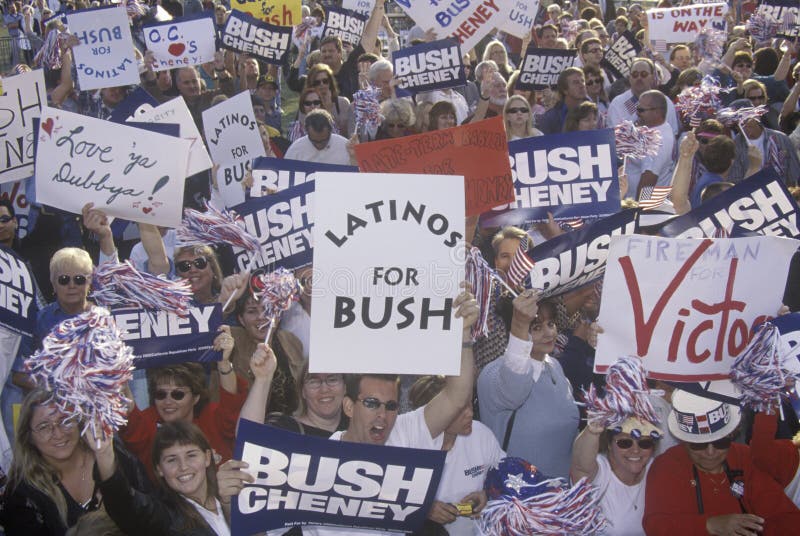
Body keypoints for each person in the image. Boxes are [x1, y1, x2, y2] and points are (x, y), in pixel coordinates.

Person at [217, 286, 479, 535]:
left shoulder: (403, 433)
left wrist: (463, 335)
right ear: (349, 406)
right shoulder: (313, 458)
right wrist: (263, 380)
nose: (382, 414)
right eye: (371, 403)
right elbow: (249, 443)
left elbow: (456, 396)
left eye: (391, 406)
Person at [643, 387, 800, 534]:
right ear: (684, 441)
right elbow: (656, 525)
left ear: (732, 435)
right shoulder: (667, 466)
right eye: (698, 445)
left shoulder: (743, 457)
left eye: (721, 442)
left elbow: (783, 515)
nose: (710, 452)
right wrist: (709, 525)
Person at [0, 389, 150, 535]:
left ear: (78, 422)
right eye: (44, 427)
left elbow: (151, 517)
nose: (58, 434)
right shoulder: (22, 492)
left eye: (65, 421)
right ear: (29, 437)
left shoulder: (111, 455)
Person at [478, 291, 580, 480]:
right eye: (536, 327)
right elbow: (514, 390)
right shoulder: (492, 374)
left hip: (563, 493)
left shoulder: (555, 367)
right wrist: (520, 325)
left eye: (551, 324)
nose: (549, 333)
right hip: (514, 494)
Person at [120, 329, 246, 481]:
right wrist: (117, 374)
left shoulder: (212, 417)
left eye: (177, 394)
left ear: (196, 397)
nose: (168, 401)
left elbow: (232, 402)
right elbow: (130, 419)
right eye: (161, 394)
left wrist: (223, 362)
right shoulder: (148, 423)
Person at [91, 421, 229, 535]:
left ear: (207, 458)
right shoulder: (163, 515)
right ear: (159, 469)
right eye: (171, 460)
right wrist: (104, 453)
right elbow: (124, 503)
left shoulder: (229, 495)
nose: (183, 467)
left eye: (191, 455)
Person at [408, 375, 504, 534]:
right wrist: (423, 509)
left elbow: (506, 478)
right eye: (459, 410)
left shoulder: (481, 434)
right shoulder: (408, 445)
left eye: (470, 404)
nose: (470, 413)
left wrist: (487, 494)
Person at [571, 417, 662, 535]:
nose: (635, 450)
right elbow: (581, 466)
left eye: (645, 443)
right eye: (625, 443)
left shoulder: (656, 470)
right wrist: (592, 431)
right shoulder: (600, 470)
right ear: (609, 444)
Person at [624, 90, 676, 200]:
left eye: (641, 110)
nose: (637, 113)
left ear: (657, 112)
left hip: (646, 205)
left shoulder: (656, 142)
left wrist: (638, 208)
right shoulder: (659, 127)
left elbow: (648, 183)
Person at [607, 58, 679, 136]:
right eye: (635, 74)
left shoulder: (665, 102)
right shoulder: (617, 103)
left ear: (652, 77)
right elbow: (614, 135)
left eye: (644, 74)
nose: (639, 78)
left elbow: (673, 133)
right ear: (629, 77)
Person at [285, 109, 351, 165]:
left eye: (324, 141)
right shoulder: (295, 149)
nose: (319, 145)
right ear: (306, 131)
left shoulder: (345, 146)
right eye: (314, 141)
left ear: (331, 130)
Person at [536, 67, 588, 135]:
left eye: (583, 81)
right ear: (565, 90)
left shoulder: (594, 112)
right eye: (576, 82)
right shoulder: (550, 118)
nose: (582, 85)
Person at [304, 63, 351, 135]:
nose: (322, 84)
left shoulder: (343, 103)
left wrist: (328, 111)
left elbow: (346, 134)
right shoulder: (307, 104)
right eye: (317, 82)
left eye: (325, 81)